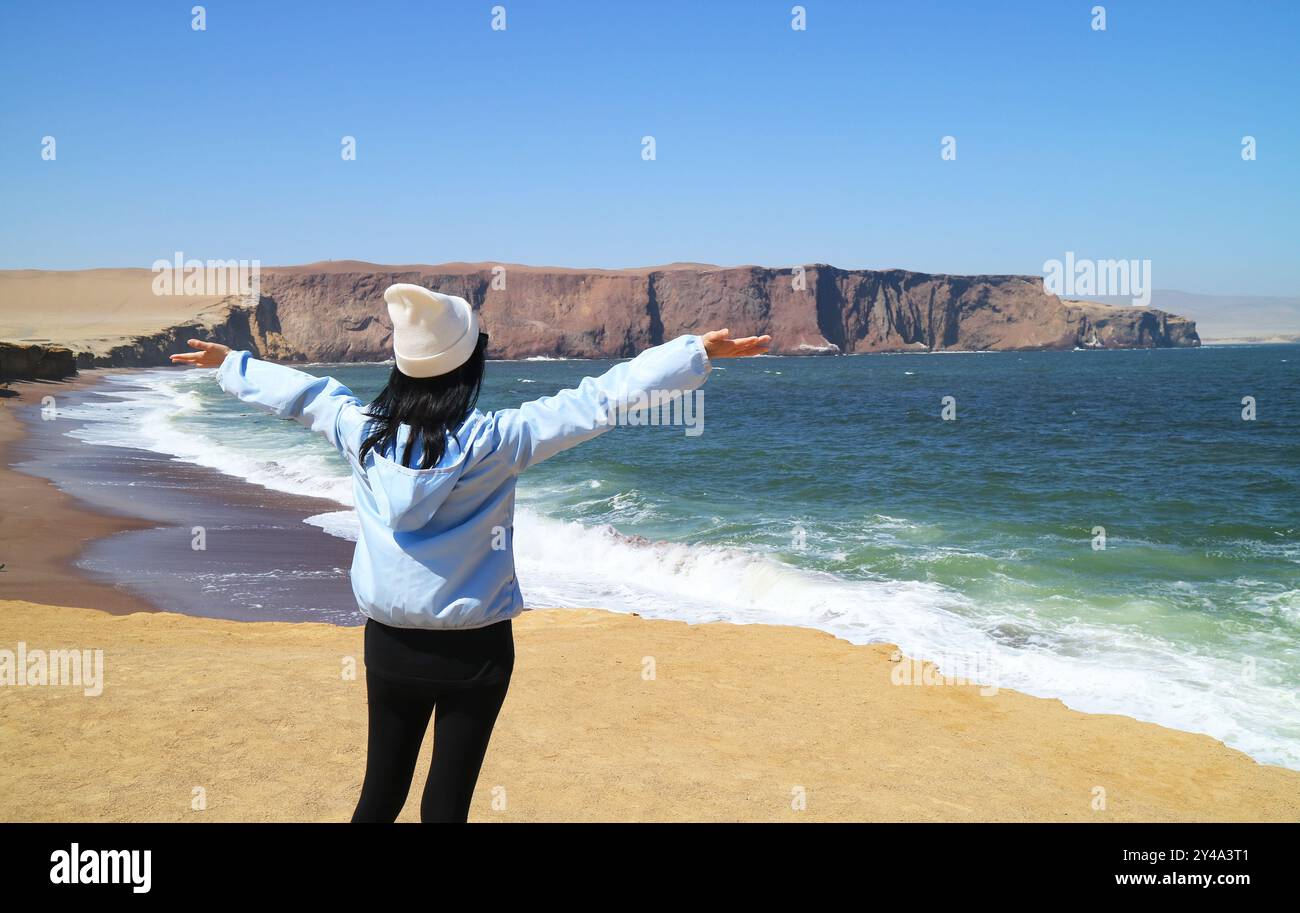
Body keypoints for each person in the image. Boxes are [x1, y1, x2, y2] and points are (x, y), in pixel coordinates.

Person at [170, 282, 770, 822]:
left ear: (402, 368)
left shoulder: (360, 432)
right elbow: (599, 400)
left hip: (390, 641)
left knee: (379, 796)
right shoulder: (499, 440)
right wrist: (693, 353)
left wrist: (234, 365)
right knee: (446, 806)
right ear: (469, 364)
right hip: (475, 650)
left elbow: (307, 395)